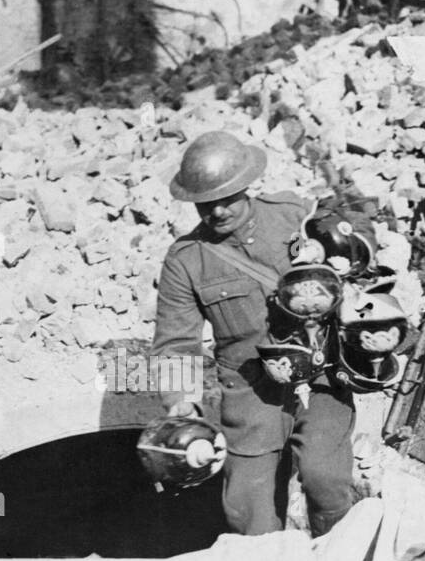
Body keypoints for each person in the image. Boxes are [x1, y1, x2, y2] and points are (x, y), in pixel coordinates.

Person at [149, 130, 357, 537]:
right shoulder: (186, 260)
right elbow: (177, 343)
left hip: (320, 375)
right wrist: (180, 402)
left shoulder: (294, 214)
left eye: (227, 198)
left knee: (325, 478)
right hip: (251, 389)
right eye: (206, 204)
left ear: (246, 186)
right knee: (249, 509)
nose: (218, 211)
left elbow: (353, 244)